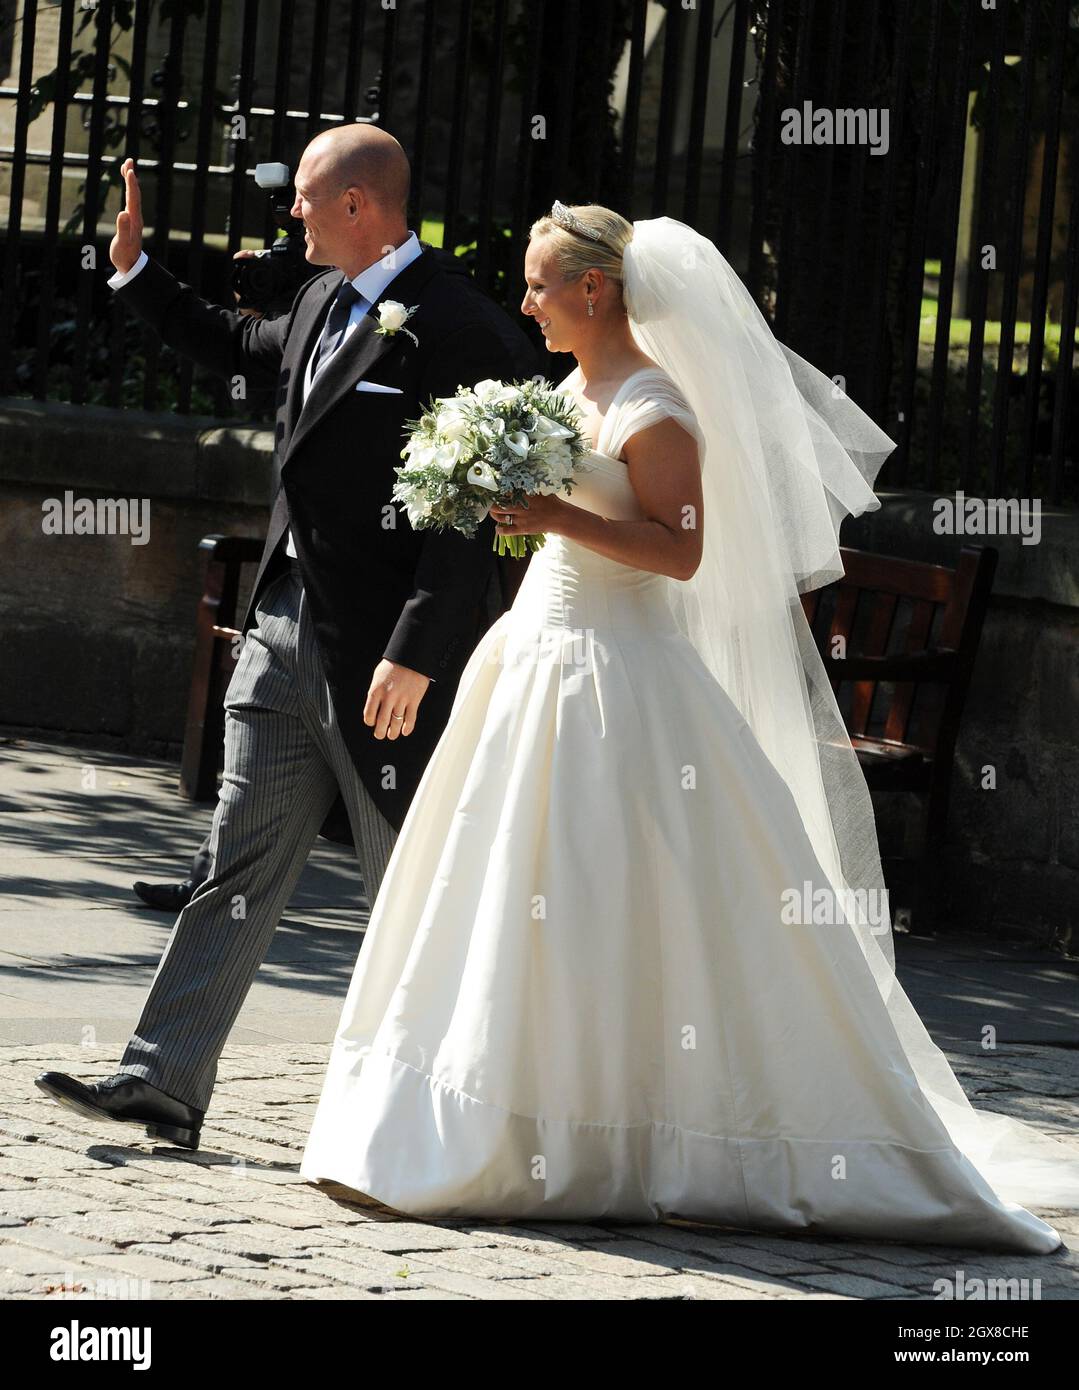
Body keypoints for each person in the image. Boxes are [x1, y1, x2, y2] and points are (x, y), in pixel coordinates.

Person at [299, 201, 1079, 1252]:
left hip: (620, 673)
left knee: (623, 892)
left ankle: (635, 1134)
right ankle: (483, 1122)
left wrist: (554, 516)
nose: (522, 302)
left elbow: (679, 553)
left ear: (591, 289)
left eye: (536, 285)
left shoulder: (655, 407)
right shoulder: (566, 389)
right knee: (508, 887)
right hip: (534, 654)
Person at [35, 126, 540, 1150]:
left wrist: (418, 646)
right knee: (234, 862)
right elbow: (231, 342)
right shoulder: (316, 299)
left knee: (414, 883)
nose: (291, 218)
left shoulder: (460, 330)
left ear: (358, 205)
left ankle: (457, 1109)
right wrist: (134, 270)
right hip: (281, 629)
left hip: (387, 660)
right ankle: (163, 1078)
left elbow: (475, 516)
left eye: (306, 200)